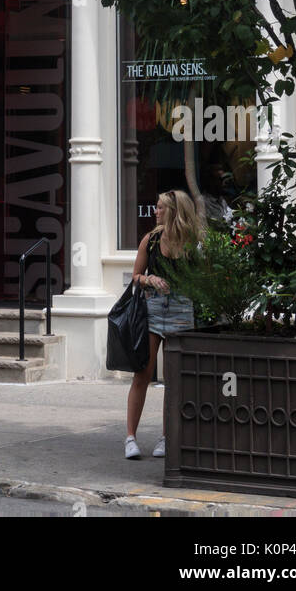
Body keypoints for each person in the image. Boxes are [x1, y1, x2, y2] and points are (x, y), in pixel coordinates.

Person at [125, 189, 201, 460]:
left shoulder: (192, 242)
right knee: (142, 373)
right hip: (153, 308)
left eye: (160, 208)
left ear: (174, 211)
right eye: (156, 207)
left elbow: (204, 279)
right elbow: (135, 276)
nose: (155, 211)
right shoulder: (152, 239)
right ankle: (130, 438)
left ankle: (167, 437)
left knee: (173, 378)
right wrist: (150, 279)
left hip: (182, 309)